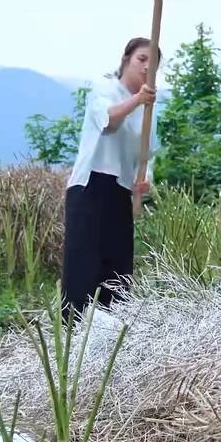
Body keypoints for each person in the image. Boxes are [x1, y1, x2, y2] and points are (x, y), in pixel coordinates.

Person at [63, 37, 157, 320]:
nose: (146, 67)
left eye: (153, 64)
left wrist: (145, 180)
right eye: (142, 59)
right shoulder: (104, 88)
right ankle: (73, 332)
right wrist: (137, 99)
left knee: (117, 270)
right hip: (90, 185)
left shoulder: (148, 110)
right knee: (83, 264)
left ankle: (111, 332)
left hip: (119, 190)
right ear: (126, 59)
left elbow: (146, 154)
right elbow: (108, 121)